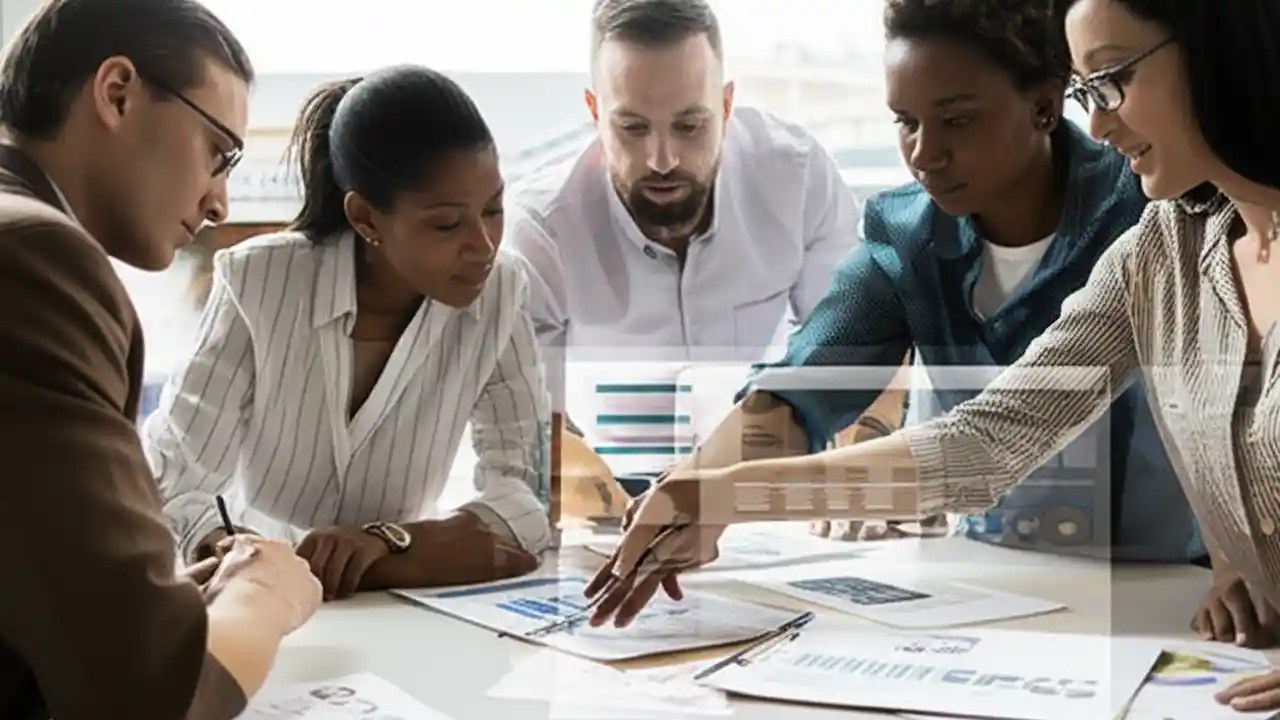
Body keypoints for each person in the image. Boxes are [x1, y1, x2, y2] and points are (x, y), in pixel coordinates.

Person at [592, 0, 1280, 704]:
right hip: (1027, 596)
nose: (1099, 124)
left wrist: (1233, 555)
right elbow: (974, 442)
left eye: (1111, 82)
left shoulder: (1132, 210)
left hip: (1170, 590)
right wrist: (714, 492)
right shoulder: (1160, 249)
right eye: (905, 122)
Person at [695, 0, 1211, 559]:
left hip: (1161, 585)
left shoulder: (1150, 208)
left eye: (957, 120)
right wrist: (694, 498)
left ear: (1044, 105)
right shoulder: (904, 236)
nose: (924, 154)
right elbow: (801, 385)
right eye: (905, 121)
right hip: (984, 578)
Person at [0, 1, 322, 718]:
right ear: (117, 93)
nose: (219, 202)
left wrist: (151, 598)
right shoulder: (35, 259)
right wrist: (266, 593)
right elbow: (155, 698)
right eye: (218, 152)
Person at [143, 65, 554, 602]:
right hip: (259, 600)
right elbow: (173, 480)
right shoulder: (259, 282)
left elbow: (526, 501)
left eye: (494, 209)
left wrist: (386, 544)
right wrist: (233, 551)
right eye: (448, 225)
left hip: (401, 608)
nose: (483, 245)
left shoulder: (501, 291)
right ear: (365, 218)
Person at [506, 0, 865, 513]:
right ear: (593, 112)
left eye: (689, 126)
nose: (662, 159)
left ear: (725, 105)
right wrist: (631, 516)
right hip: (607, 503)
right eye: (632, 128)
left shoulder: (797, 176)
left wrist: (859, 487)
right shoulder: (540, 227)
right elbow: (533, 427)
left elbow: (854, 349)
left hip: (766, 491)